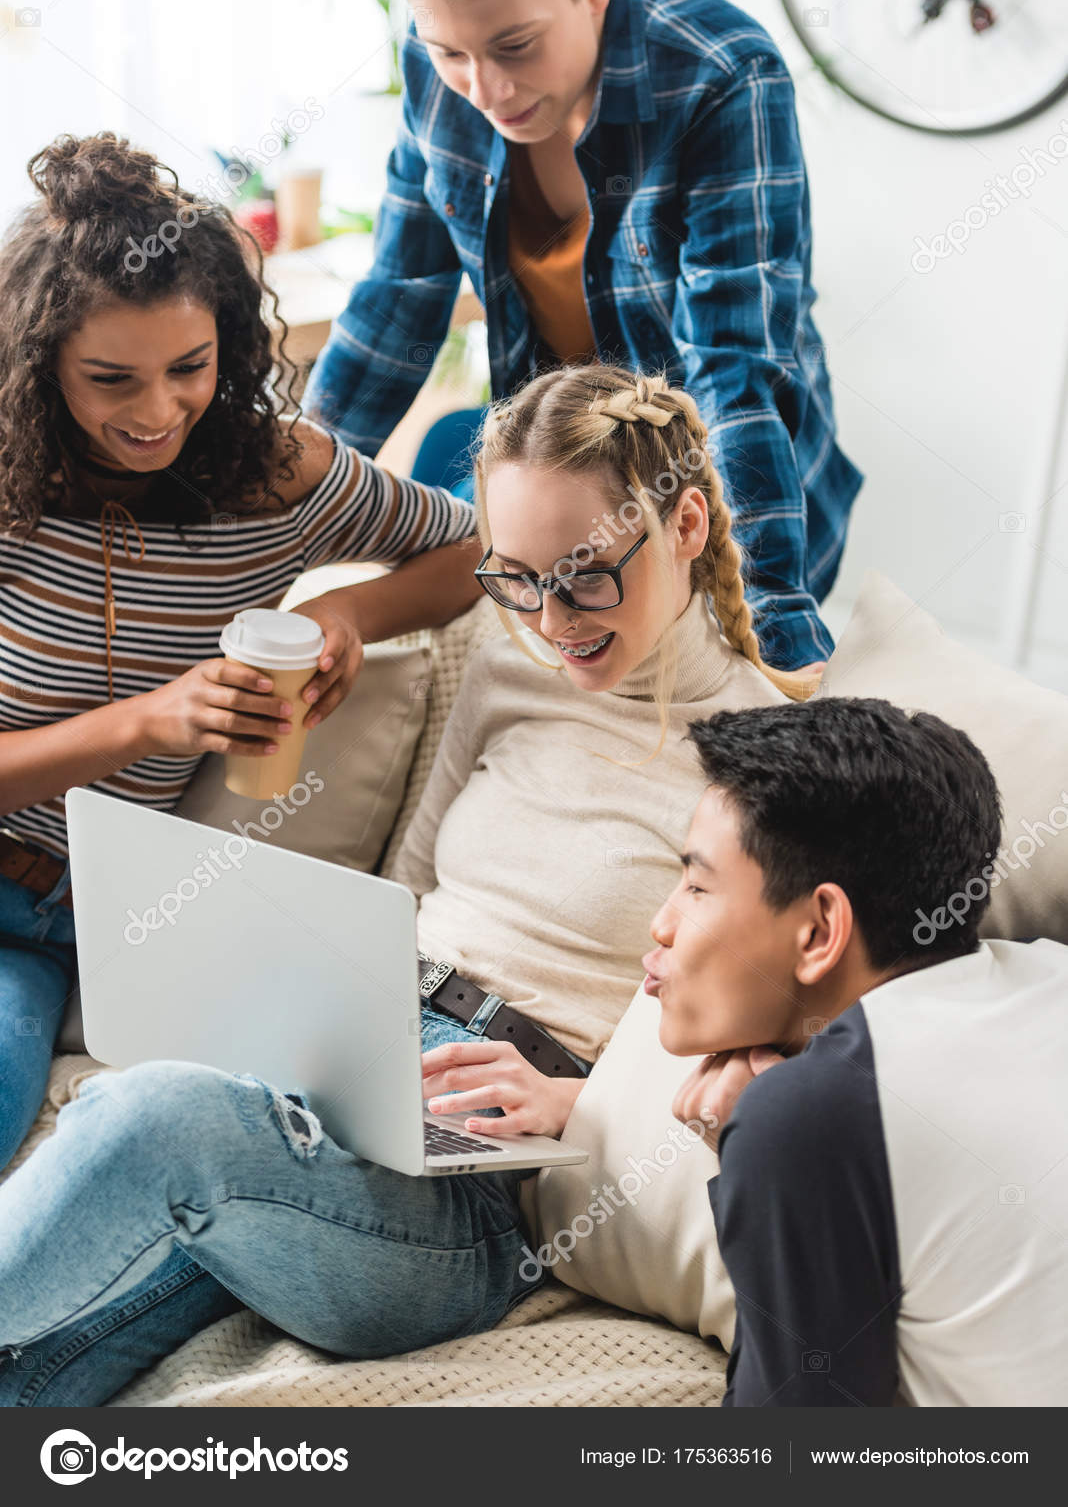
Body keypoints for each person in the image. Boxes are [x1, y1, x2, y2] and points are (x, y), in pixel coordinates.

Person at [0, 363, 808, 1407]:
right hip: (350, 1075)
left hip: (477, 1197)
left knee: (147, 1115)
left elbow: (780, 1060)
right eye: (518, 577)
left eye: (586, 574)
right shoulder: (510, 663)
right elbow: (408, 891)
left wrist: (585, 1102)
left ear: (688, 521)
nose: (554, 618)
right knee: (36, 1373)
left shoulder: (768, 768)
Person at [0, 131, 483, 1174]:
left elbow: (476, 550)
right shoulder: (7, 486)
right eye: (110, 379)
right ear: (43, 366)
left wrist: (352, 612)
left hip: (85, 922)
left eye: (188, 367)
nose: (157, 411)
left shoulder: (271, 478)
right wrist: (149, 723)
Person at [304, 0, 863, 676]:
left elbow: (733, 370)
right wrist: (286, 494)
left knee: (694, 726)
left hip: (719, 498)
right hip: (559, 487)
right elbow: (398, 296)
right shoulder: (439, 75)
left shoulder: (723, 77)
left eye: (514, 47)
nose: (484, 90)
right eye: (450, 51)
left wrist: (772, 623)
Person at [644, 697, 1068, 1408]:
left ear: (818, 932)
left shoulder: (813, 1113)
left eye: (695, 886)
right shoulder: (1049, 976)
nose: (662, 923)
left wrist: (749, 1155)